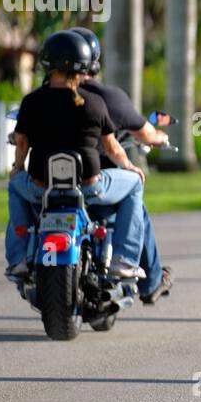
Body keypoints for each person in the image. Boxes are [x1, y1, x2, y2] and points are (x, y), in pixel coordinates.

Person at [5, 31, 148, 282]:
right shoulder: (94, 103)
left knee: (15, 186)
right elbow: (113, 148)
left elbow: (22, 142)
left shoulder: (31, 102)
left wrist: (18, 167)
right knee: (135, 184)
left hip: (41, 188)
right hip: (89, 188)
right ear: (84, 66)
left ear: (47, 65)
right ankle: (124, 260)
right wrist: (129, 166)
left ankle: (18, 259)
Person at [68, 26, 173, 305]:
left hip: (47, 184)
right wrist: (159, 139)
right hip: (94, 182)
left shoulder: (42, 98)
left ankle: (21, 257)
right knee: (134, 191)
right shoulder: (104, 98)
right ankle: (144, 276)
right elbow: (136, 136)